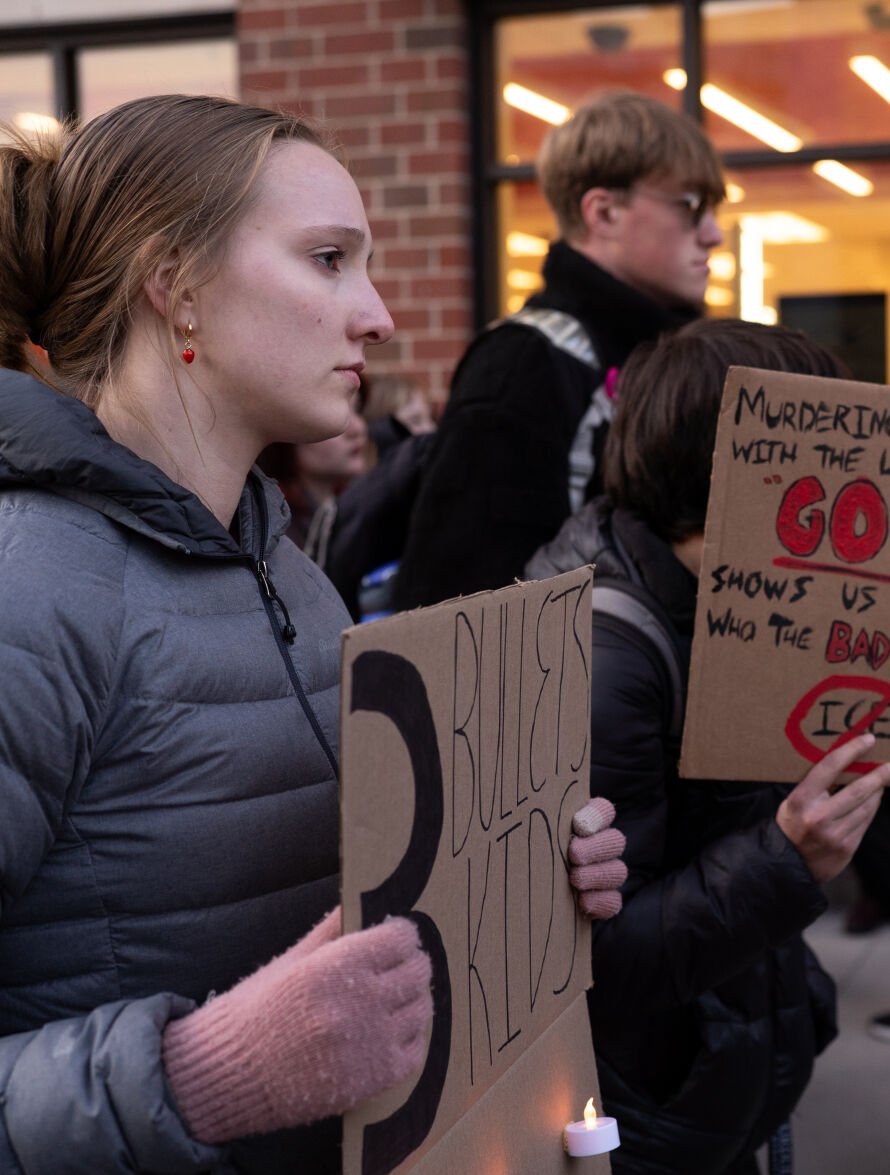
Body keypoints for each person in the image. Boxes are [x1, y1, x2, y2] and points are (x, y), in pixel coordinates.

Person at [0, 94, 625, 1174]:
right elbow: (254, 1038)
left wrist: (513, 880)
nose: (377, 314)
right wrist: (200, 1070)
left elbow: (340, 927)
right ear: (174, 281)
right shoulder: (27, 589)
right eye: (329, 258)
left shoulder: (289, 570)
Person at [525, 317, 890, 1175]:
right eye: (823, 443)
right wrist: (784, 858)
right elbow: (591, 962)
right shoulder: (608, 653)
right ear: (748, 467)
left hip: (711, 1089)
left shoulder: (731, 595)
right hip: (647, 1114)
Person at [394, 90, 725, 610]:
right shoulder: (524, 363)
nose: (714, 234)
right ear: (604, 212)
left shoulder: (667, 354)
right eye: (690, 206)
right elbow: (458, 606)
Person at [259, 390, 370, 557]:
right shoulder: (271, 531)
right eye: (332, 415)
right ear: (288, 434)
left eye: (357, 409)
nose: (357, 429)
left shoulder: (358, 509)